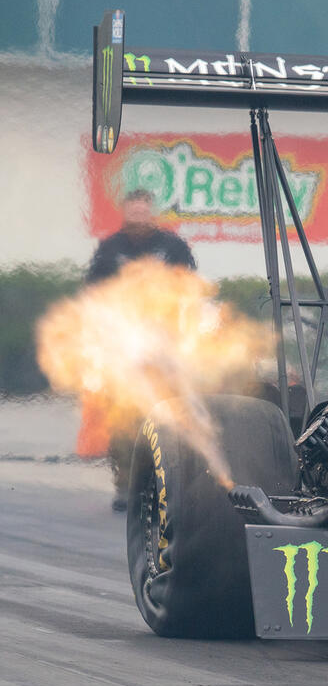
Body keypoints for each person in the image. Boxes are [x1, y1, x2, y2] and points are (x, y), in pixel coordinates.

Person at [83, 188, 197, 510]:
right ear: (125, 212)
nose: (138, 216)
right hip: (121, 342)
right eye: (132, 210)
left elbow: (189, 284)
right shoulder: (110, 249)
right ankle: (126, 482)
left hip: (164, 342)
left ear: (151, 212)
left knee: (167, 410)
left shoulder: (171, 246)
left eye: (143, 210)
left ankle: (166, 480)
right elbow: (92, 293)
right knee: (121, 415)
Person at [87, 188, 195, 283]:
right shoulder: (109, 247)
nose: (139, 208)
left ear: (152, 211)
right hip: (120, 304)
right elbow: (94, 285)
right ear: (124, 210)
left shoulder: (174, 245)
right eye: (133, 204)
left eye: (145, 203)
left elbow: (188, 280)